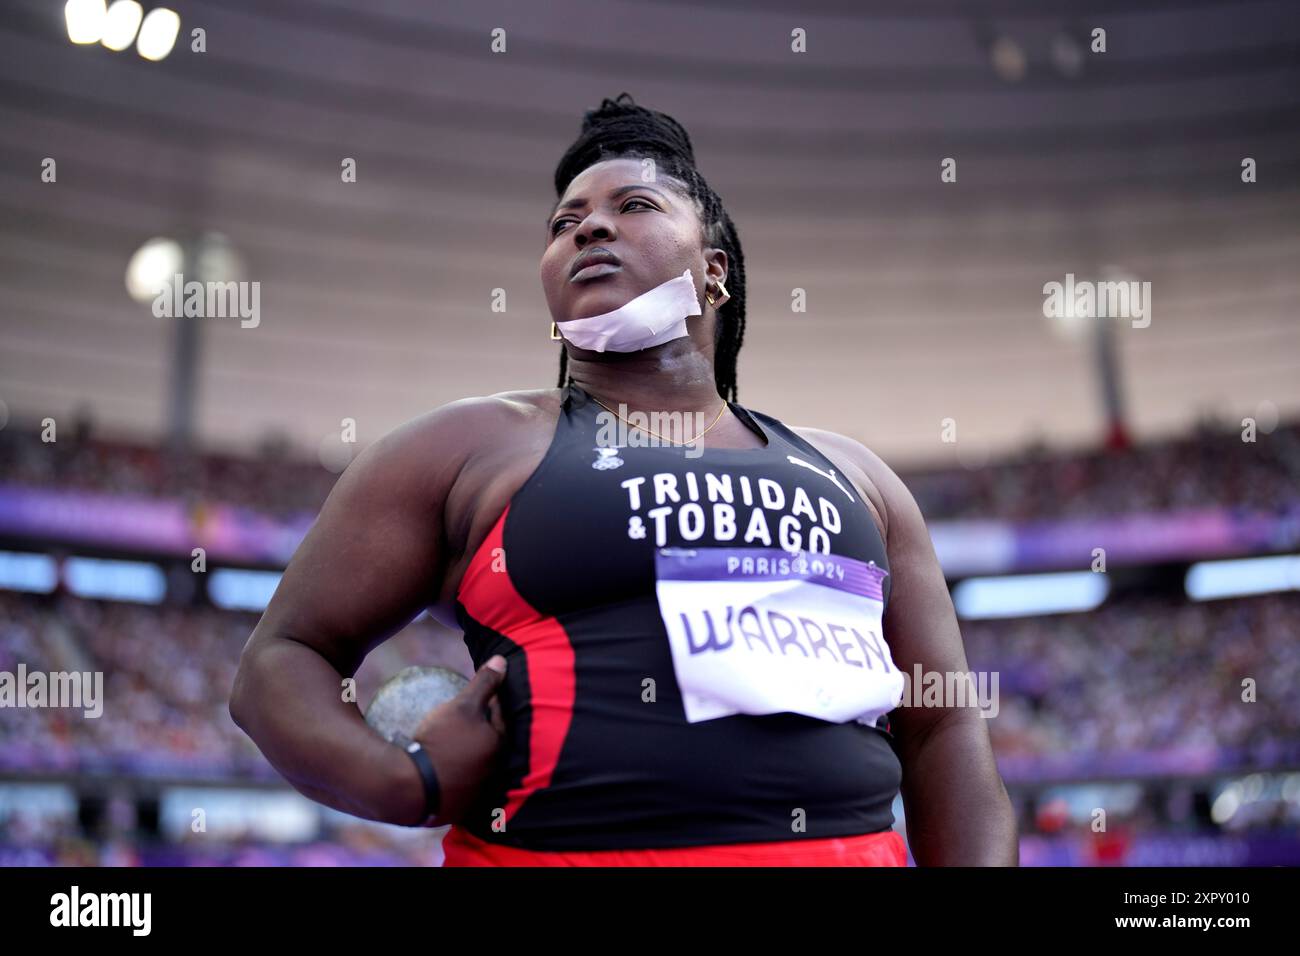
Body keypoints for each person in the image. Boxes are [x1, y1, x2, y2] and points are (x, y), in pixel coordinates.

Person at [230, 93, 1017, 866]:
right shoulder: (467, 447)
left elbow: (941, 727)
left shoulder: (856, 475)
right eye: (563, 223)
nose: (590, 227)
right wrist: (404, 785)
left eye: (634, 204)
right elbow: (283, 657)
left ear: (715, 272)